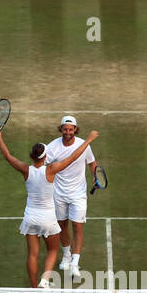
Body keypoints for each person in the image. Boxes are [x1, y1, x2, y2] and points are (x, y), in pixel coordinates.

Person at [0, 127, 99, 290]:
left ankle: (34, 289)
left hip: (30, 218)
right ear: (45, 156)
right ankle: (45, 280)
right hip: (48, 219)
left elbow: (7, 157)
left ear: (32, 156)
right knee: (52, 251)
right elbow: (73, 157)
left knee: (32, 255)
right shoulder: (51, 170)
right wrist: (89, 140)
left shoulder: (25, 169)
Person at [45, 115, 97, 275]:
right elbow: (44, 167)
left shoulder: (84, 145)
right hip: (58, 193)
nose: (68, 132)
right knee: (62, 226)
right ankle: (66, 255)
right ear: (61, 129)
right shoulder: (52, 147)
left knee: (77, 226)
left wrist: (95, 177)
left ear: (75, 129)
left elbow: (92, 162)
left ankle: (75, 262)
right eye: (65, 129)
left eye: (71, 129)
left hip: (78, 193)